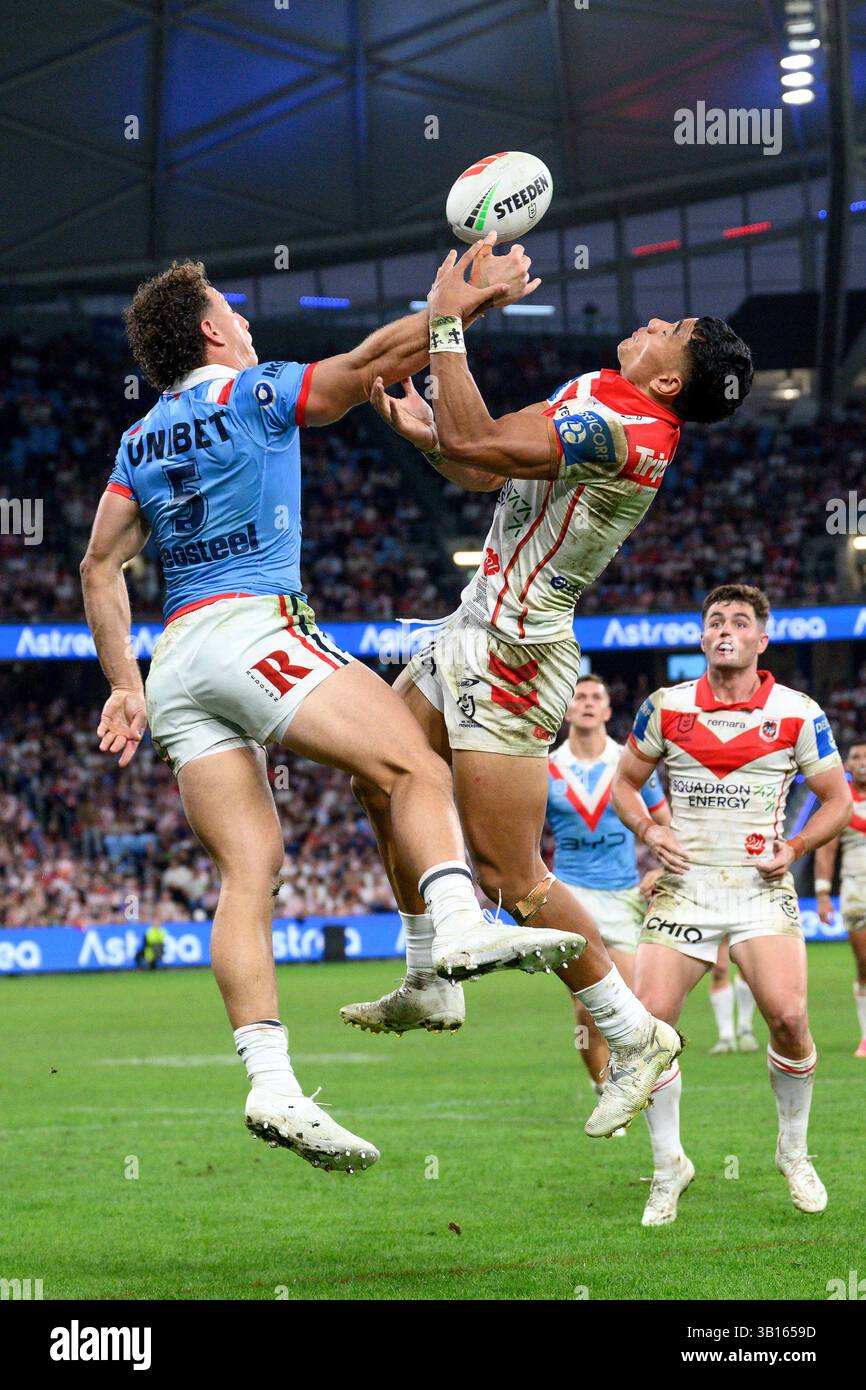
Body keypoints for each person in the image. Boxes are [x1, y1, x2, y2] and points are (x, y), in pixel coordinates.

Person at [80, 247, 585, 1177]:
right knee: (410, 765)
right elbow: (365, 369)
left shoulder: (139, 438)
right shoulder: (254, 392)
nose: (244, 316)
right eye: (231, 307)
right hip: (253, 628)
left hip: (178, 661)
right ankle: (452, 931)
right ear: (209, 330)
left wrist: (124, 683)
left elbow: (98, 566)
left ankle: (270, 1080)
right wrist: (448, 313)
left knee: (250, 873)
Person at [341, 246, 754, 1139]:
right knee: (376, 772)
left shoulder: (631, 432)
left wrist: (447, 324)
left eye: (666, 331)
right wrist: (430, 440)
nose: (649, 325)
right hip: (471, 625)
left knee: (512, 878)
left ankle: (634, 1036)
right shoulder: (599, 391)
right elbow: (487, 468)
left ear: (674, 379)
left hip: (517, 654)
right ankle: (428, 982)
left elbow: (478, 437)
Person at [612, 583, 853, 1225]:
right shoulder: (664, 707)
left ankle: (794, 1153)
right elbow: (625, 787)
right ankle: (669, 1170)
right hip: (685, 888)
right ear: (701, 637)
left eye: (740, 622)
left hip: (759, 889)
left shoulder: (799, 712)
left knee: (789, 1019)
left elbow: (838, 802)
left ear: (760, 640)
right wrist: (650, 830)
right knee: (650, 1031)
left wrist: (796, 845)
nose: (726, 629)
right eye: (715, 620)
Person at [545, 674, 669, 1112]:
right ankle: (607, 1096)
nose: (587, 703)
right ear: (566, 708)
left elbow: (664, 825)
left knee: (635, 1006)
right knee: (586, 1013)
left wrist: (659, 868)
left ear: (609, 710)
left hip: (623, 898)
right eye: (579, 696)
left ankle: (628, 1083)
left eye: (597, 696)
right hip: (572, 899)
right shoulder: (546, 769)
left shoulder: (629, 766)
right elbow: (519, 837)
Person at [814, 740, 866, 1057]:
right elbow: (827, 849)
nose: (863, 761)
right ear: (846, 766)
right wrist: (822, 894)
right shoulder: (840, 803)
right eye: (857, 756)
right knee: (864, 963)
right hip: (856, 889)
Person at [707, 938, 758, 1054]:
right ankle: (726, 1038)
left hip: (744, 921)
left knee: (746, 968)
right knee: (718, 971)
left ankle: (745, 1029)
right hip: (716, 920)